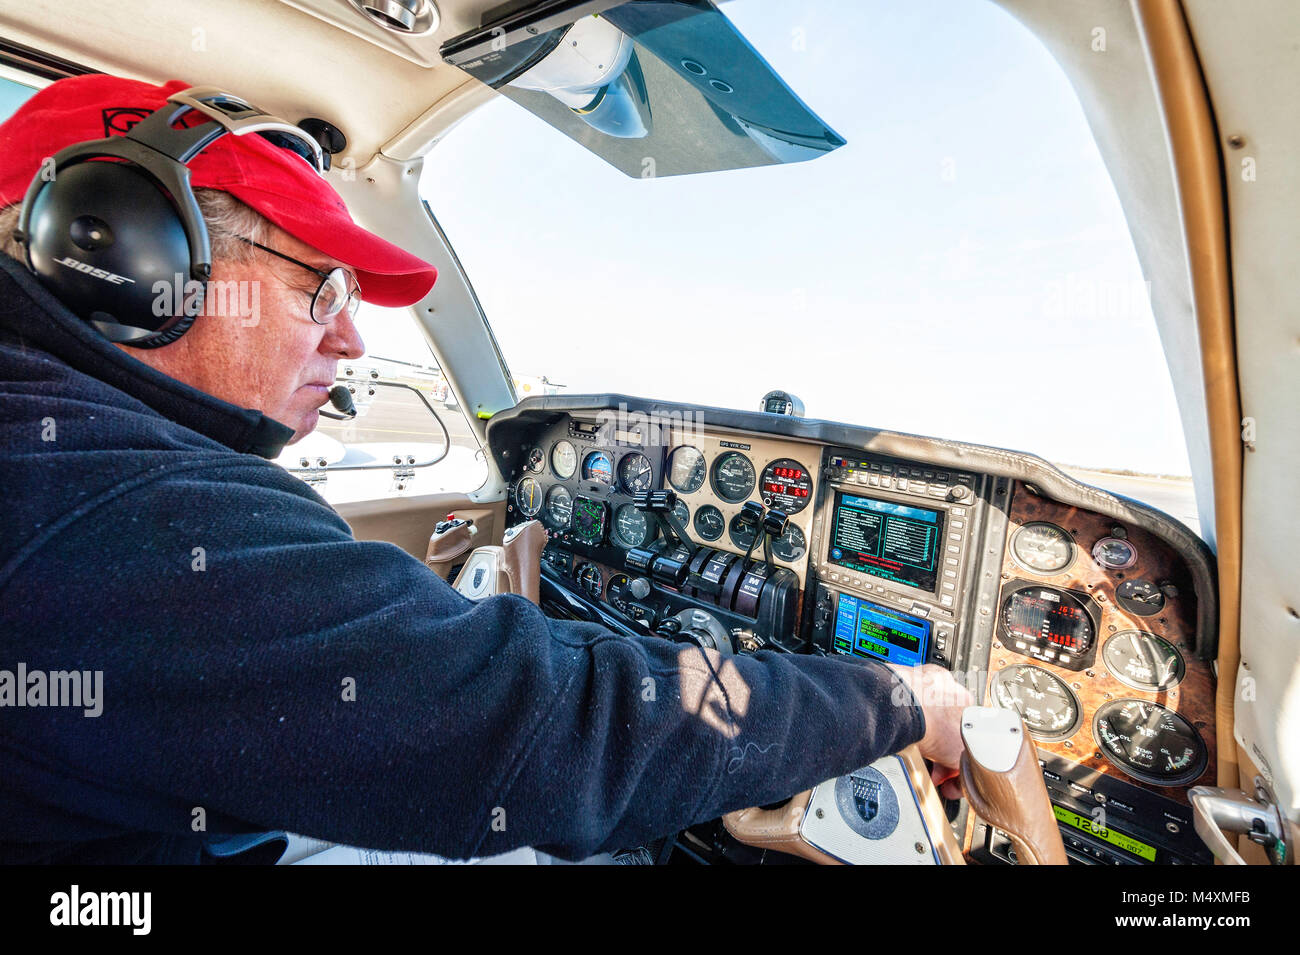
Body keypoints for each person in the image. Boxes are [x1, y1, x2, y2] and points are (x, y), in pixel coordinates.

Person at [0, 74, 972, 865]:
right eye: (323, 287)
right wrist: (898, 700)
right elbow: (557, 733)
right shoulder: (119, 502)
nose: (348, 339)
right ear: (122, 252)